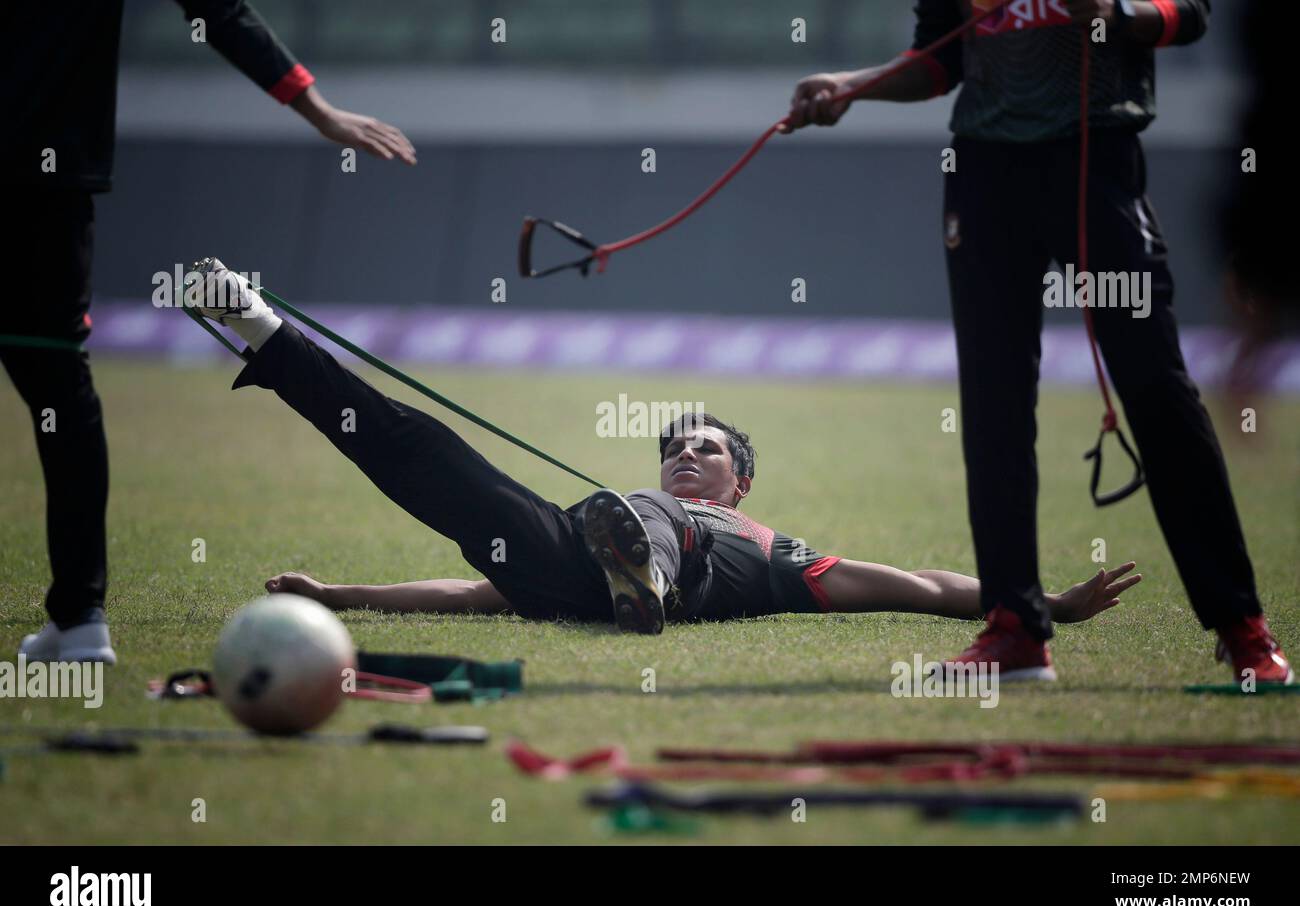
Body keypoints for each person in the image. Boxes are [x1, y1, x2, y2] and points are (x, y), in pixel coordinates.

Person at [189, 259, 1138, 653]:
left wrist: (1040, 604)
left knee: (586, 502)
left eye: (708, 448)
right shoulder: (625, 512)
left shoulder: (775, 552)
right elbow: (474, 595)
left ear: (744, 481)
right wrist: (335, 598)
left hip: (608, 571)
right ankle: (261, 333)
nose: (688, 453)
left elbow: (918, 586)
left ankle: (645, 566)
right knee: (414, 451)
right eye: (677, 445)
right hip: (560, 565)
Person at [781, 0, 1291, 684]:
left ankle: (1243, 630)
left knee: (1155, 387)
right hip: (984, 173)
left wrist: (1111, 11)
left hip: (1095, 161)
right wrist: (854, 84)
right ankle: (1015, 630)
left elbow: (1189, 16)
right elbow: (943, 58)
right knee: (994, 402)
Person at [5, 1, 415, 664]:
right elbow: (215, 8)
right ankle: (80, 618)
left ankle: (79, 617)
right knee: (57, 385)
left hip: (44, 172)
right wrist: (317, 109)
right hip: (47, 175)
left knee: (55, 384)